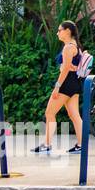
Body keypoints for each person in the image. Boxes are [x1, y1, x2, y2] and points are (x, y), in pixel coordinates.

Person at [34, 20, 85, 154]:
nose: (57, 33)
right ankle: (81, 145)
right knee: (74, 115)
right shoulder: (76, 46)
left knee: (49, 113)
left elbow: (66, 69)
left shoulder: (68, 47)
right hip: (75, 83)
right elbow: (73, 66)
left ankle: (47, 144)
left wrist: (57, 86)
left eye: (59, 30)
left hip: (66, 83)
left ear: (67, 31)